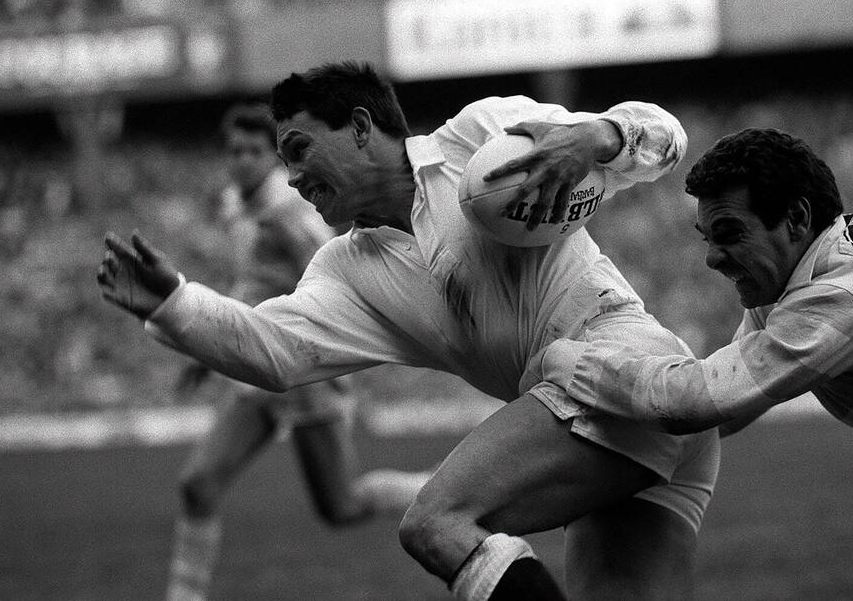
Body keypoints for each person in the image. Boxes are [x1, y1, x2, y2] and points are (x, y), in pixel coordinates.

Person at [98, 61, 720, 600]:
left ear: (362, 127)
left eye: (298, 148)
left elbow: (666, 137)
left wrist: (600, 135)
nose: (289, 177)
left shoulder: (479, 139)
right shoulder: (348, 269)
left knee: (435, 522)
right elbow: (272, 352)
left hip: (626, 369)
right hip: (604, 421)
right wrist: (174, 302)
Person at [537, 127, 853, 599]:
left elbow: (692, 402)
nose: (712, 258)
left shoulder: (844, 295)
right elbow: (728, 410)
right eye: (706, 236)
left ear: (797, 219)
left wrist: (559, 357)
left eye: (728, 234)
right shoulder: (801, 275)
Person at [164, 103, 433, 601]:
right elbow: (250, 284)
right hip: (255, 368)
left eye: (254, 151)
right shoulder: (235, 205)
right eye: (234, 150)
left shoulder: (287, 211)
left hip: (307, 371)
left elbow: (331, 269)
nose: (242, 160)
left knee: (341, 506)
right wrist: (208, 348)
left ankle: (435, 490)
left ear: (275, 157)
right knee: (198, 484)